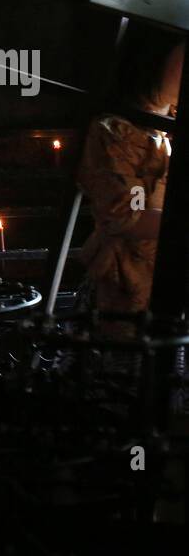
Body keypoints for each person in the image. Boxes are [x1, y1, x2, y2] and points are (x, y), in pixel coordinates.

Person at [75, 25, 183, 339]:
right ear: (154, 58)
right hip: (125, 280)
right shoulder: (115, 132)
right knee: (125, 372)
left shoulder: (169, 129)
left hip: (169, 274)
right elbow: (126, 214)